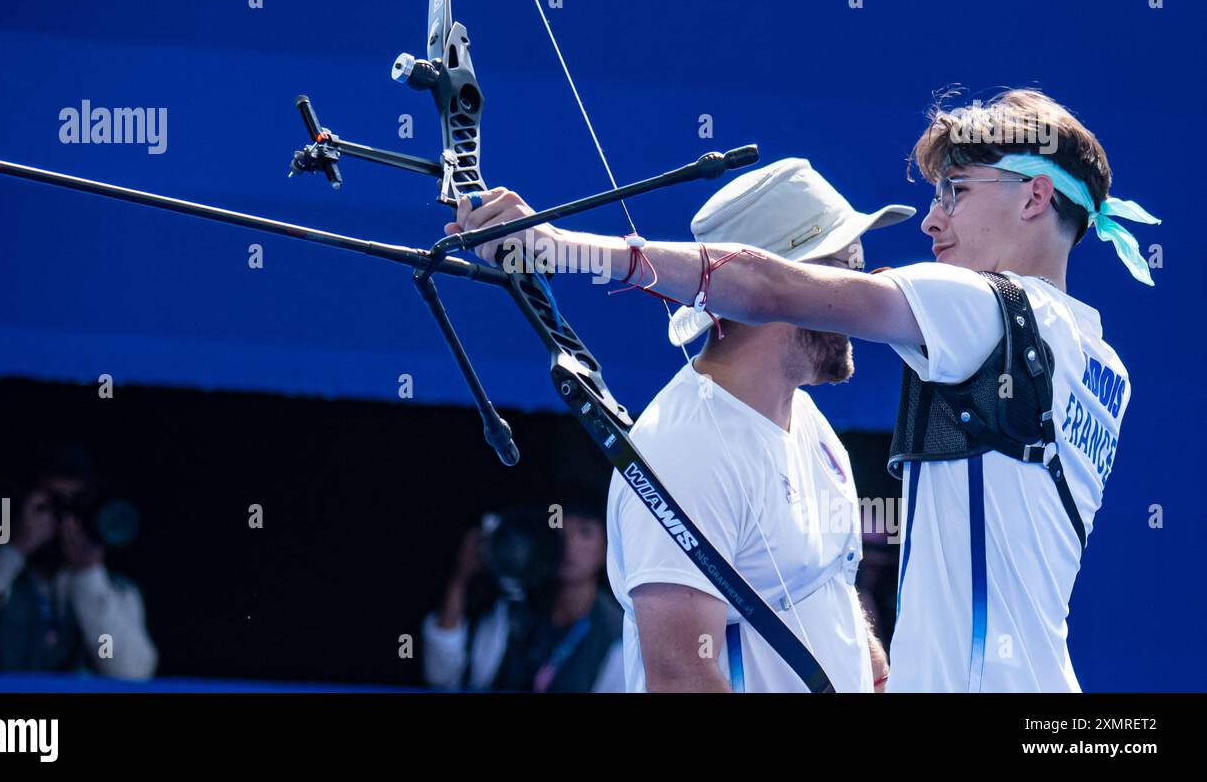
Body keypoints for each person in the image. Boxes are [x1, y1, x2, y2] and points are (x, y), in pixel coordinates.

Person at [451, 88, 1158, 693]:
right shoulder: (1101, 363)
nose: (935, 221)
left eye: (957, 191)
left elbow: (767, 286)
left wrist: (553, 248)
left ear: (1035, 195)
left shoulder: (987, 309)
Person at [453, 158, 914, 692]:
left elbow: (826, 583)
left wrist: (874, 671)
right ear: (787, 282)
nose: (862, 289)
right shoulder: (688, 450)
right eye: (848, 265)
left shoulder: (804, 418)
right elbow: (680, 679)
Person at [0, 449, 158, 680]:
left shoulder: (116, 591)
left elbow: (127, 671)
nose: (65, 522)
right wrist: (14, 551)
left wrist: (87, 575)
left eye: (77, 508)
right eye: (50, 506)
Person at [422, 502, 624, 692]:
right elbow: (442, 678)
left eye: (585, 532)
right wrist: (460, 580)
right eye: (559, 531)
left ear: (606, 546)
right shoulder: (512, 608)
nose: (569, 544)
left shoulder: (618, 633)